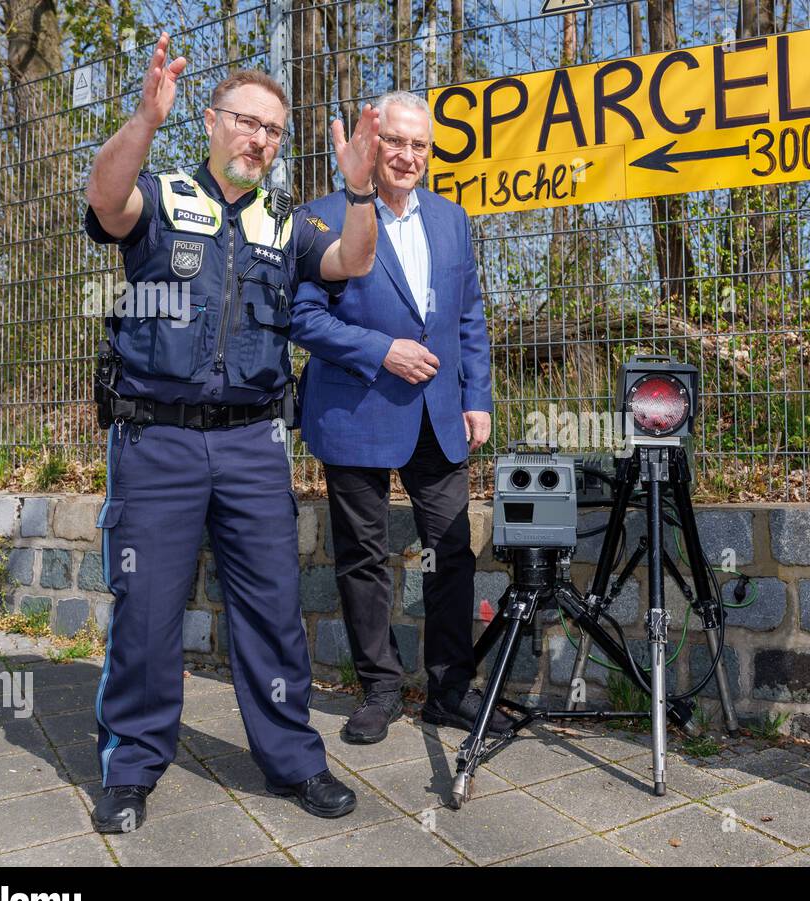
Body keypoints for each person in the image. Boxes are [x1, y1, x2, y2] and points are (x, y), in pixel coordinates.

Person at [83, 33, 381, 832]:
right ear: (212, 123)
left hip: (252, 445)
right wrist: (144, 119)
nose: (259, 138)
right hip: (159, 442)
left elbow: (353, 262)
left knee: (273, 611)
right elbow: (106, 199)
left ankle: (292, 762)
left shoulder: (288, 231)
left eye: (273, 131)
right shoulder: (163, 195)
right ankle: (130, 766)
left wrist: (358, 193)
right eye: (247, 122)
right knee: (145, 608)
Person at [290, 90, 506, 745]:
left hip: (437, 418)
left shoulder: (451, 220)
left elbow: (468, 315)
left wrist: (477, 398)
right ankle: (380, 691)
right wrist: (382, 350)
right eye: (396, 142)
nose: (408, 156)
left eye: (420, 144)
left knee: (451, 554)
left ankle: (447, 691)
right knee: (362, 557)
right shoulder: (320, 219)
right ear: (371, 145)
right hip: (355, 413)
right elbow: (304, 318)